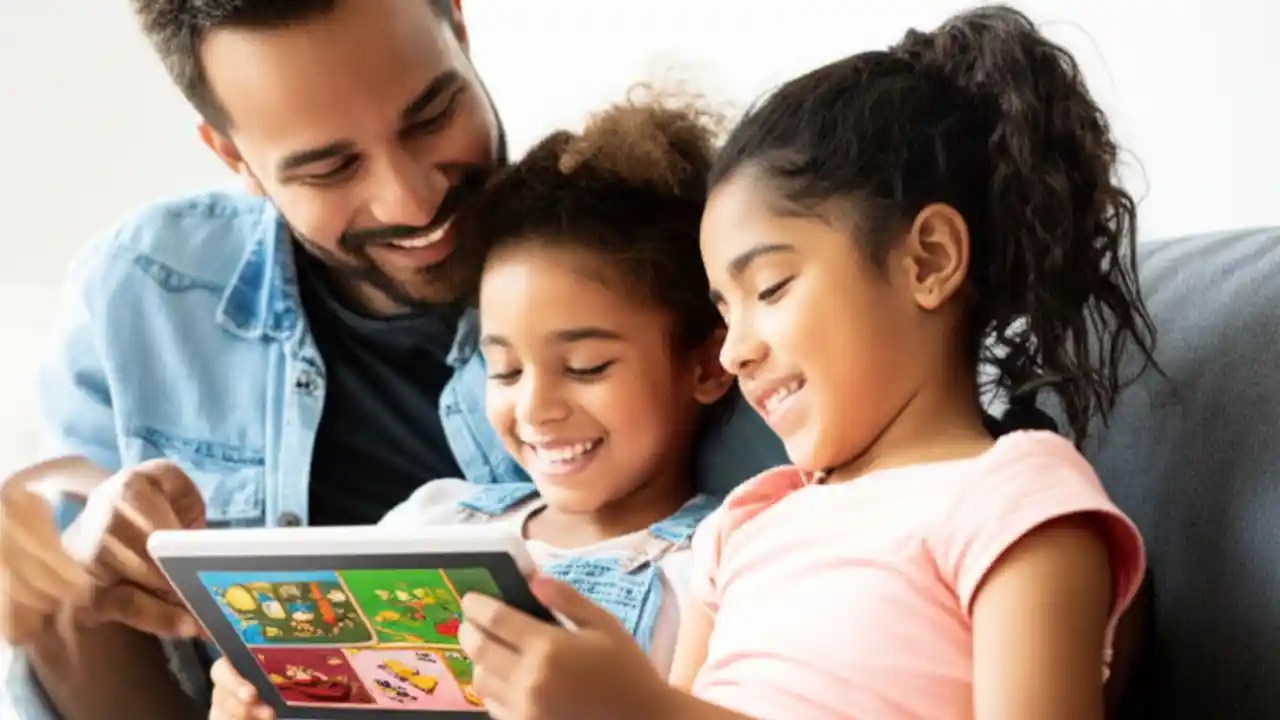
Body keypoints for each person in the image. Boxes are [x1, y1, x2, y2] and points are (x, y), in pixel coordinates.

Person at [0, 2, 782, 719]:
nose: (410, 202)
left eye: (432, 115)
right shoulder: (144, 290)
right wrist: (74, 554)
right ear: (234, 157)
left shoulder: (642, 265)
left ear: (459, 25)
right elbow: (59, 595)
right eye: (330, 168)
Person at [453, 7, 1158, 720]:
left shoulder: (1011, 501)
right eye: (724, 313)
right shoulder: (748, 522)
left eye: (770, 289)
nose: (734, 349)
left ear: (929, 259)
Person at [206, 91, 734, 720]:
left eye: (585, 367)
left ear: (705, 365)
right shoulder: (432, 523)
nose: (535, 408)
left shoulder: (713, 563)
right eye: (505, 369)